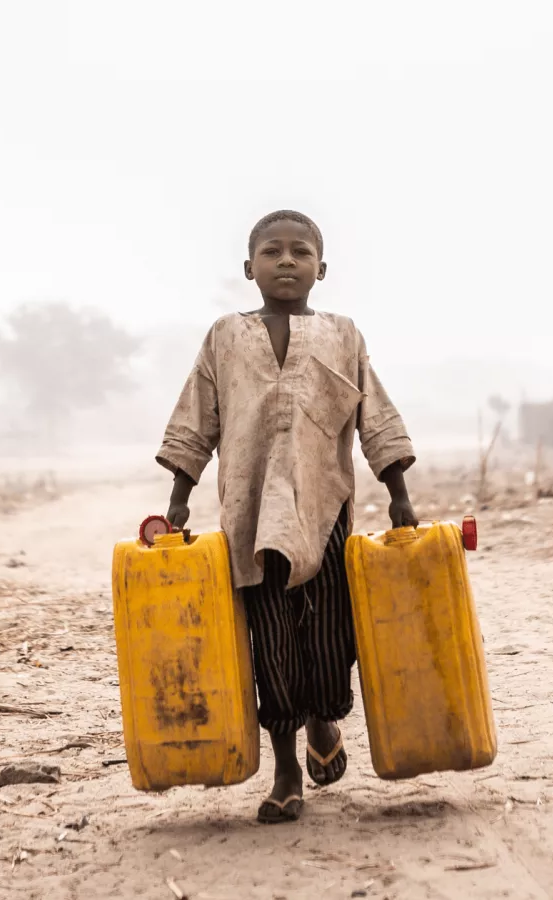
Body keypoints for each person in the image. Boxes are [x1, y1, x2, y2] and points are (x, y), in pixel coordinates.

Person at [156, 209, 418, 824]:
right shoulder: (224, 336)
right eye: (271, 252)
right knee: (270, 638)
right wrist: (178, 496)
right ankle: (284, 768)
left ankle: (323, 719)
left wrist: (397, 489)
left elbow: (374, 414)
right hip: (250, 515)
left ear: (321, 268)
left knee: (330, 628)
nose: (286, 261)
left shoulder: (343, 334)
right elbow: (198, 416)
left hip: (323, 504)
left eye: (300, 252)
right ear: (248, 268)